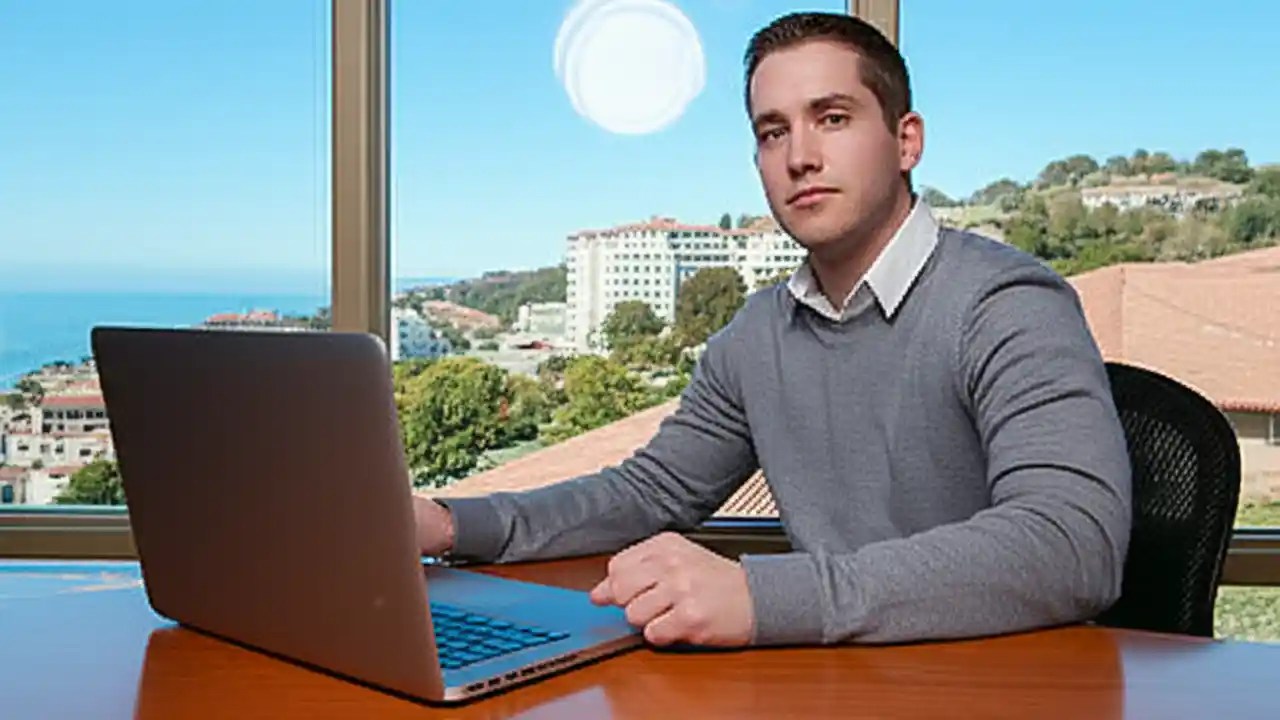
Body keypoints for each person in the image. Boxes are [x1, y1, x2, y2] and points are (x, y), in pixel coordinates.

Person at [412, 11, 1132, 649]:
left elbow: (1072, 545)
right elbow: (648, 493)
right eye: (772, 131)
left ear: (906, 140)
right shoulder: (757, 334)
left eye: (834, 118)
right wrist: (449, 525)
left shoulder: (1006, 302)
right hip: (832, 684)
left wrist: (765, 597)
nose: (799, 156)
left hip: (1003, 687)